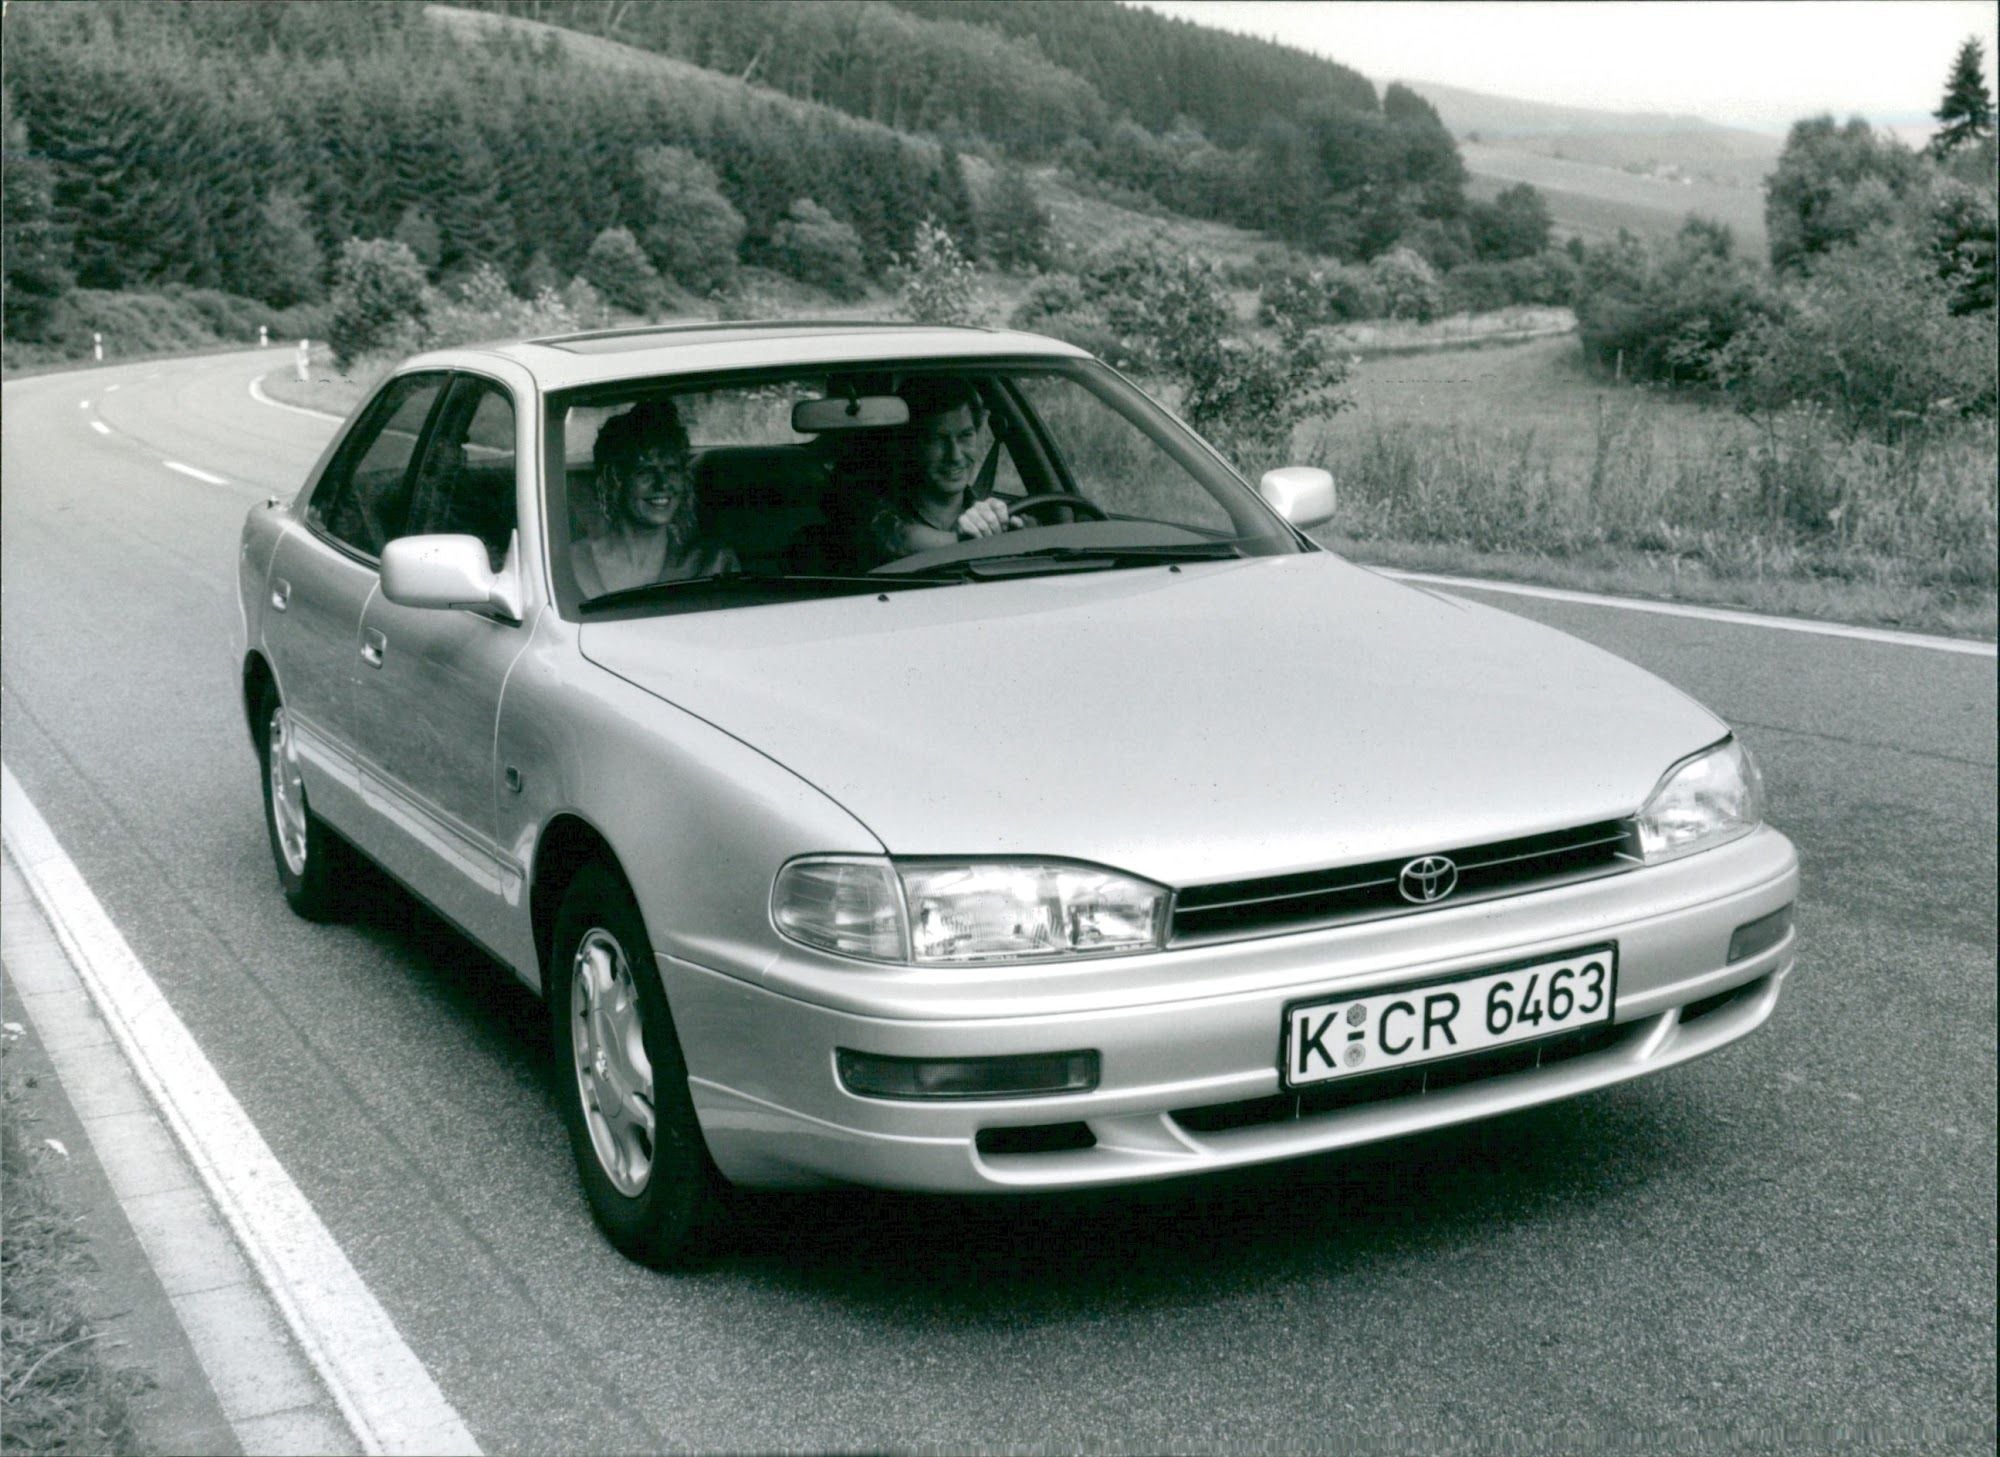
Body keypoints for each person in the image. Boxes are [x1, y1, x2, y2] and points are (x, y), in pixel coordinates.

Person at [842, 376, 1017, 567]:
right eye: (937, 439)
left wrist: (1024, 529)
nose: (955, 456)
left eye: (965, 435)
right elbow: (902, 539)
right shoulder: (878, 515)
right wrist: (965, 540)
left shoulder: (990, 513)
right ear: (908, 445)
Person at [572, 398, 736, 598]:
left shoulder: (713, 562)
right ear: (614, 479)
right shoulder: (571, 562)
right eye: (645, 471)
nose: (663, 484)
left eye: (672, 470)